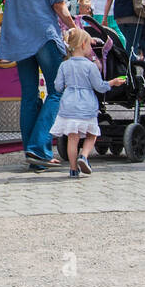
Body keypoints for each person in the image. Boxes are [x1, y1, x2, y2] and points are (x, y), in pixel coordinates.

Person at [0, 0, 77, 171]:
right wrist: (74, 28)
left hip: (20, 36)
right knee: (58, 90)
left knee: (29, 95)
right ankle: (39, 147)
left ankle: (33, 153)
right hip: (43, 32)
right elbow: (57, 0)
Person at [49, 27, 126, 178]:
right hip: (86, 105)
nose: (91, 49)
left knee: (72, 138)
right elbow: (100, 87)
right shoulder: (90, 66)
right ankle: (84, 156)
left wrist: (67, 85)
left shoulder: (64, 65)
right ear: (84, 45)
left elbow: (57, 86)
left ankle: (72, 169)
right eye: (90, 45)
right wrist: (113, 82)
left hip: (69, 105)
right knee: (92, 134)